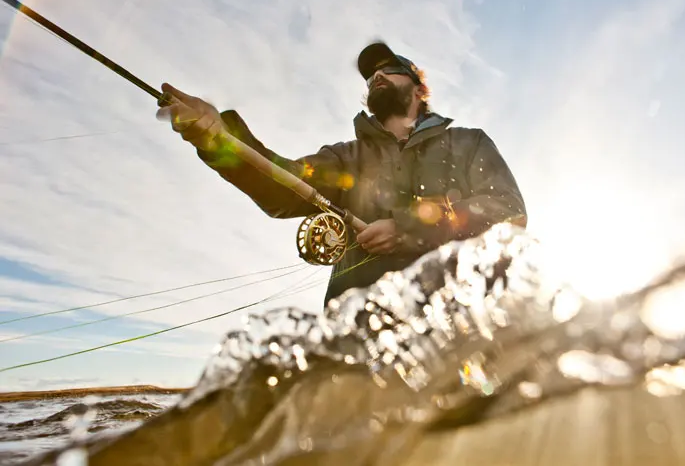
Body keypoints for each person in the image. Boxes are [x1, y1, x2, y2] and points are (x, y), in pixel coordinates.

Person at [157, 41, 527, 304]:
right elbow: (281, 183)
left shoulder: (468, 143)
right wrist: (219, 139)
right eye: (371, 76)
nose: (377, 76)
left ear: (418, 88)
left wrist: (409, 226)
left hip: (458, 330)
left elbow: (507, 210)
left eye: (390, 70)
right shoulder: (344, 157)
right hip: (356, 345)